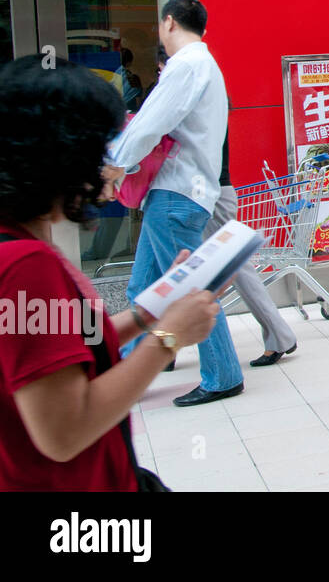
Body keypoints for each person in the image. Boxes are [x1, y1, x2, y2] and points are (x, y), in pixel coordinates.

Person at [0, 55, 220, 490]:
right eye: (94, 147)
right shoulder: (25, 266)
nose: (103, 163)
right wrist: (166, 340)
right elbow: (64, 431)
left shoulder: (17, 249)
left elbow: (67, 348)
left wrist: (152, 310)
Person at [102, 0, 243, 407]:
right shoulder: (206, 64)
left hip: (177, 192)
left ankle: (222, 376)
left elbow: (150, 121)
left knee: (188, 291)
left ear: (168, 23)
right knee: (143, 287)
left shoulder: (186, 65)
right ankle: (130, 371)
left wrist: (116, 163)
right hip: (181, 192)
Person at [204, 131, 298, 366]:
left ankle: (279, 335)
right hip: (207, 192)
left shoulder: (205, 100)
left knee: (237, 266)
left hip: (209, 193)